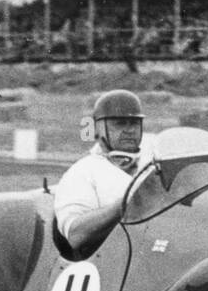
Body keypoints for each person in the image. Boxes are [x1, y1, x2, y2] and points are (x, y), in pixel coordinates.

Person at [54, 90, 153, 255]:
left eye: (134, 123)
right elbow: (75, 235)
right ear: (98, 128)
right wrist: (125, 204)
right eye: (120, 124)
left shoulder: (153, 162)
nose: (129, 130)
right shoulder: (83, 171)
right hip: (114, 261)